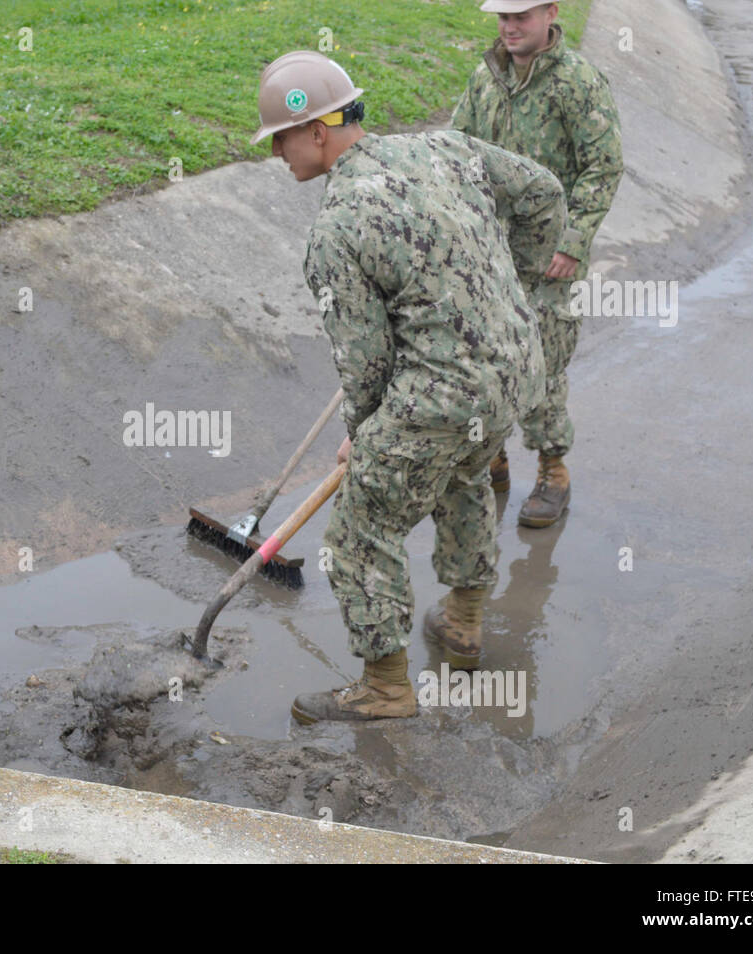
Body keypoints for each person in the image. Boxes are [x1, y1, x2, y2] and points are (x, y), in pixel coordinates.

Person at [248, 51, 565, 721]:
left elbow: (365, 365)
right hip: (517, 367)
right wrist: (517, 284)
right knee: (464, 478)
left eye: (279, 136)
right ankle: (463, 623)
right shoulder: (444, 149)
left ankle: (386, 687)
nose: (275, 152)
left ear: (318, 131)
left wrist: (366, 441)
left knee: (362, 525)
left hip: (446, 391)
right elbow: (543, 193)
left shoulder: (336, 229)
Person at [452, 0, 624, 527]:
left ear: (550, 13)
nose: (509, 27)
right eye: (502, 17)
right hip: (492, 254)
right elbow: (457, 147)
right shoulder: (486, 78)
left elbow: (604, 166)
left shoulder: (578, 82)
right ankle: (493, 457)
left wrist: (573, 242)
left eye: (521, 16)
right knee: (483, 361)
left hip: (551, 261)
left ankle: (553, 471)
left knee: (542, 369)